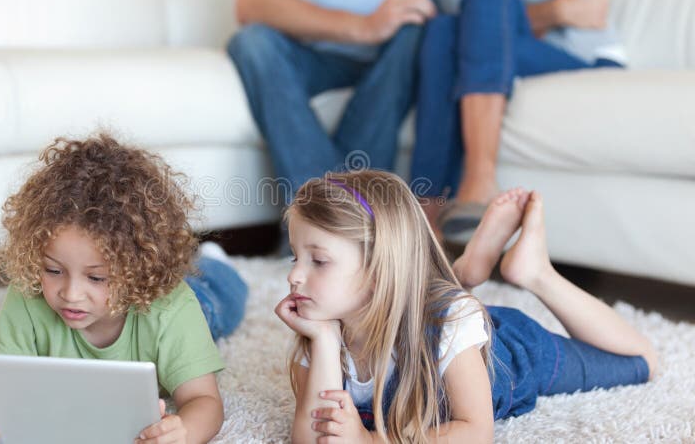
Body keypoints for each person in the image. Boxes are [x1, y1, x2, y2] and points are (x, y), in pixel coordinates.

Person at [276, 170, 655, 442]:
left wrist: (370, 441)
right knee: (438, 306)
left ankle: (536, 272)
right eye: (295, 257)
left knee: (642, 363)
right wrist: (324, 342)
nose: (295, 276)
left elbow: (476, 430)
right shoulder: (322, 327)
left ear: (381, 269)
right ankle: (462, 274)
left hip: (512, 351)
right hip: (422, 311)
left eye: (318, 261)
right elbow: (310, 439)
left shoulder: (451, 324)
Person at [0, 133, 248, 444]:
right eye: (54, 270)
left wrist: (185, 432)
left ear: (137, 270)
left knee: (216, 295)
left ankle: (215, 261)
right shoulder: (29, 295)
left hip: (193, 301)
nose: (71, 293)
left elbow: (205, 401)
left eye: (97, 277)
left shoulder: (173, 307)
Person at [411, 0, 621, 243]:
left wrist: (493, 19)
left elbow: (585, 9)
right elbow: (456, 5)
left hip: (578, 56)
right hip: (485, 47)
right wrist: (555, 10)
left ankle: (472, 182)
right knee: (444, 27)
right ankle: (425, 225)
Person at [227, 0, 436, 207]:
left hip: (399, 55)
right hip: (320, 55)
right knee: (253, 44)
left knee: (418, 33)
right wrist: (365, 26)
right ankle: (335, 217)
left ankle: (331, 221)